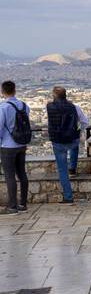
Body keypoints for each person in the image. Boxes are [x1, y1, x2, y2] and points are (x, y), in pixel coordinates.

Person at [46, 85, 86, 205]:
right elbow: (84, 122)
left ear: (54, 96)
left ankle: (68, 197)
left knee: (62, 169)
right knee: (74, 146)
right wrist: (78, 132)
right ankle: (73, 167)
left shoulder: (49, 107)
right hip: (72, 139)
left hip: (58, 140)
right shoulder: (74, 107)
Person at [0, 79, 31, 214]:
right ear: (15, 90)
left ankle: (12, 206)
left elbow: (0, 127)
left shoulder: (3, 107)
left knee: (10, 175)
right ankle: (23, 204)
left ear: (2, 92)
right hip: (21, 143)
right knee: (22, 173)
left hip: (8, 145)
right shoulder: (24, 106)